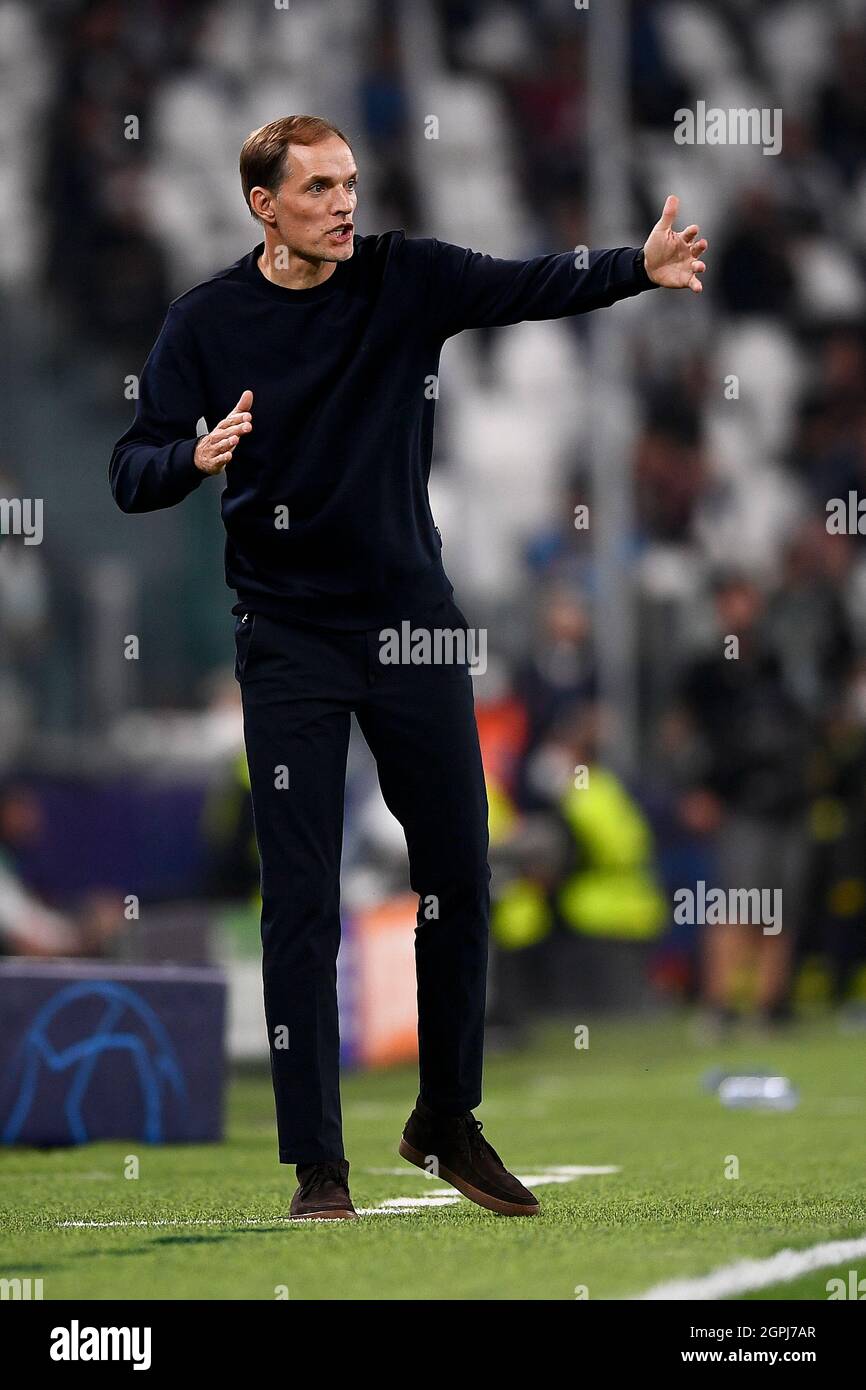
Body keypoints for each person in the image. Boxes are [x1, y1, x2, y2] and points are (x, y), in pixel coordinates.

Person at [109, 114, 707, 1219]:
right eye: (320, 187)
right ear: (262, 205)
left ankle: (443, 1118)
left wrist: (636, 264)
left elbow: (529, 282)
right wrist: (189, 457)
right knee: (299, 897)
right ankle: (318, 1169)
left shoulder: (403, 278)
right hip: (286, 635)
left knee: (458, 871)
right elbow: (127, 469)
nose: (345, 202)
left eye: (350, 182)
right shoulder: (206, 322)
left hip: (409, 628)